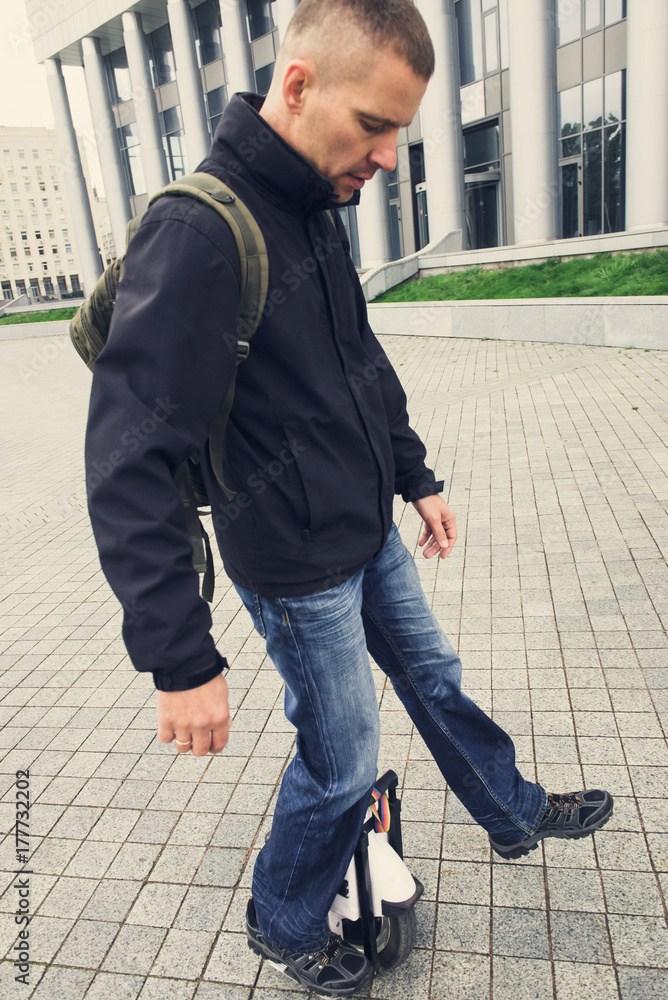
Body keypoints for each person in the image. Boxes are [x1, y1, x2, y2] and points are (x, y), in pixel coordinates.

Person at [85, 1, 613, 995]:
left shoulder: (314, 208)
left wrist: (415, 477)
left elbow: (359, 369)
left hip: (362, 522)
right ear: (297, 85)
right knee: (339, 762)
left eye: (398, 130)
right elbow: (125, 458)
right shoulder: (197, 231)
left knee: (433, 673)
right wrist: (176, 654)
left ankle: (507, 810)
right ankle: (284, 924)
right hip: (291, 560)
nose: (385, 153)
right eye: (372, 123)